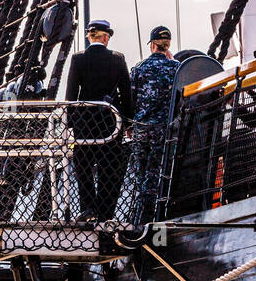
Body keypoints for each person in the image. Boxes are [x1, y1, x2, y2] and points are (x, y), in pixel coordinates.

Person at [64, 18, 134, 222]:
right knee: (109, 168)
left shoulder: (78, 59)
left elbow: (71, 95)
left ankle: (88, 209)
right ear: (105, 37)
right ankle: (105, 213)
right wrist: (128, 122)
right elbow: (126, 94)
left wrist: (70, 124)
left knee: (83, 166)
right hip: (110, 124)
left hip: (84, 124)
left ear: (90, 36)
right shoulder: (118, 59)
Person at [128, 26, 181, 220]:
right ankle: (154, 215)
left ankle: (140, 216)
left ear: (152, 45)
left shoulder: (139, 68)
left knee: (141, 173)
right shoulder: (176, 68)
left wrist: (129, 126)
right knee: (158, 172)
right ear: (167, 46)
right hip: (164, 130)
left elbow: (130, 99)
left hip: (141, 129)